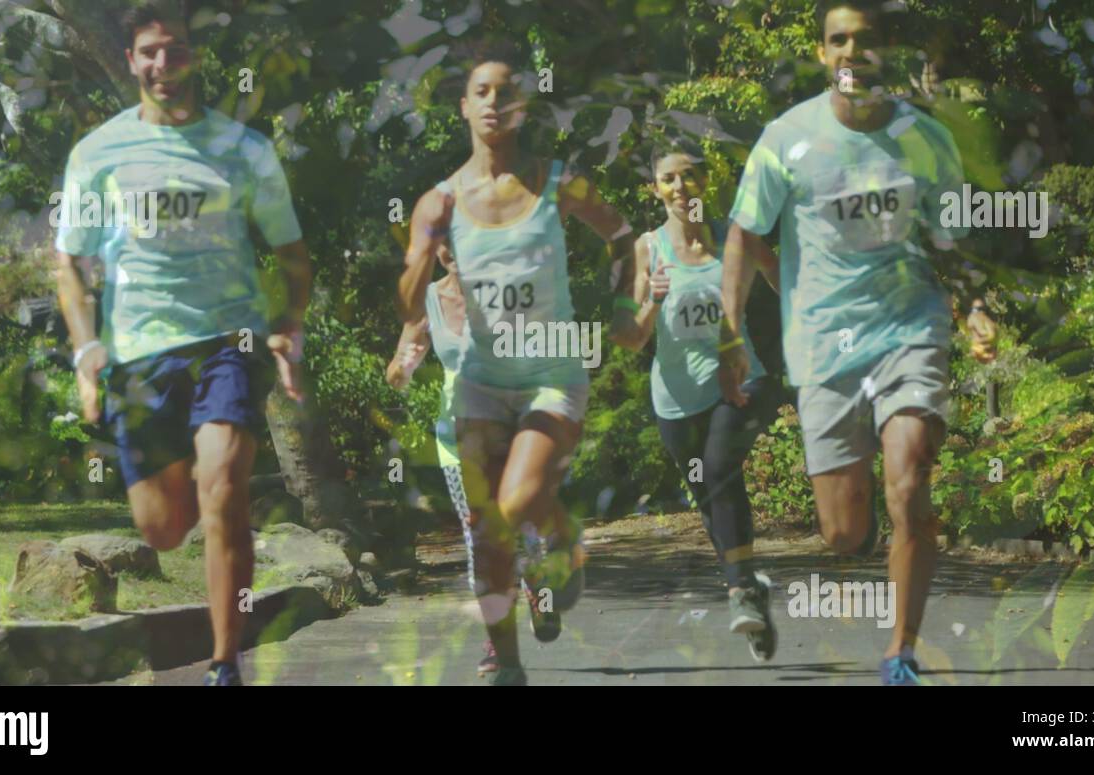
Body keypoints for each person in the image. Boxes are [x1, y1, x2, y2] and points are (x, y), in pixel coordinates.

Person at [720, 0, 998, 685]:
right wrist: (731, 334)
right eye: (837, 40)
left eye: (864, 40)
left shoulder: (923, 139)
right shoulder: (785, 139)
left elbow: (949, 240)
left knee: (909, 480)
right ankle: (873, 525)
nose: (850, 52)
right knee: (842, 533)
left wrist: (975, 306)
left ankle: (901, 648)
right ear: (822, 54)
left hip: (910, 329)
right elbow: (745, 233)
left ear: (885, 51)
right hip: (822, 347)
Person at [54, 1, 311, 686]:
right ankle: (214, 527)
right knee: (163, 528)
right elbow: (69, 265)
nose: (164, 65)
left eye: (175, 50)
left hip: (228, 342)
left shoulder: (243, 149)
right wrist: (86, 355)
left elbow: (292, 255)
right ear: (132, 60)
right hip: (138, 358)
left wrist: (287, 325)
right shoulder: (97, 153)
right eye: (150, 53)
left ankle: (225, 662)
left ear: (195, 57)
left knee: (223, 486)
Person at [397, 47, 636, 686]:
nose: (495, 103)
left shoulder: (560, 184)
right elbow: (408, 302)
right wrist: (420, 260)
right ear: (465, 107)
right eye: (482, 91)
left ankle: (564, 541)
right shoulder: (438, 202)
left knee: (518, 499)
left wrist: (622, 304)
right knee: (485, 529)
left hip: (549, 376)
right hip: (477, 381)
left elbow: (621, 234)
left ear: (523, 107)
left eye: (507, 92)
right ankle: (506, 662)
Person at [612, 145, 787, 661]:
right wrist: (652, 300)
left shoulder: (736, 238)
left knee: (719, 470)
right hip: (675, 401)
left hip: (742, 382)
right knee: (711, 500)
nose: (680, 187)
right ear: (656, 189)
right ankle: (751, 594)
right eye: (669, 179)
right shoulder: (646, 249)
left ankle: (738, 592)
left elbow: (788, 283)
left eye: (690, 177)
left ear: (705, 183)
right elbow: (627, 338)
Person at [385, 245, 561, 678]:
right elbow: (397, 370)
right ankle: (499, 643)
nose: (451, 248)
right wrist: (404, 364)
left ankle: (539, 586)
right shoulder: (427, 301)